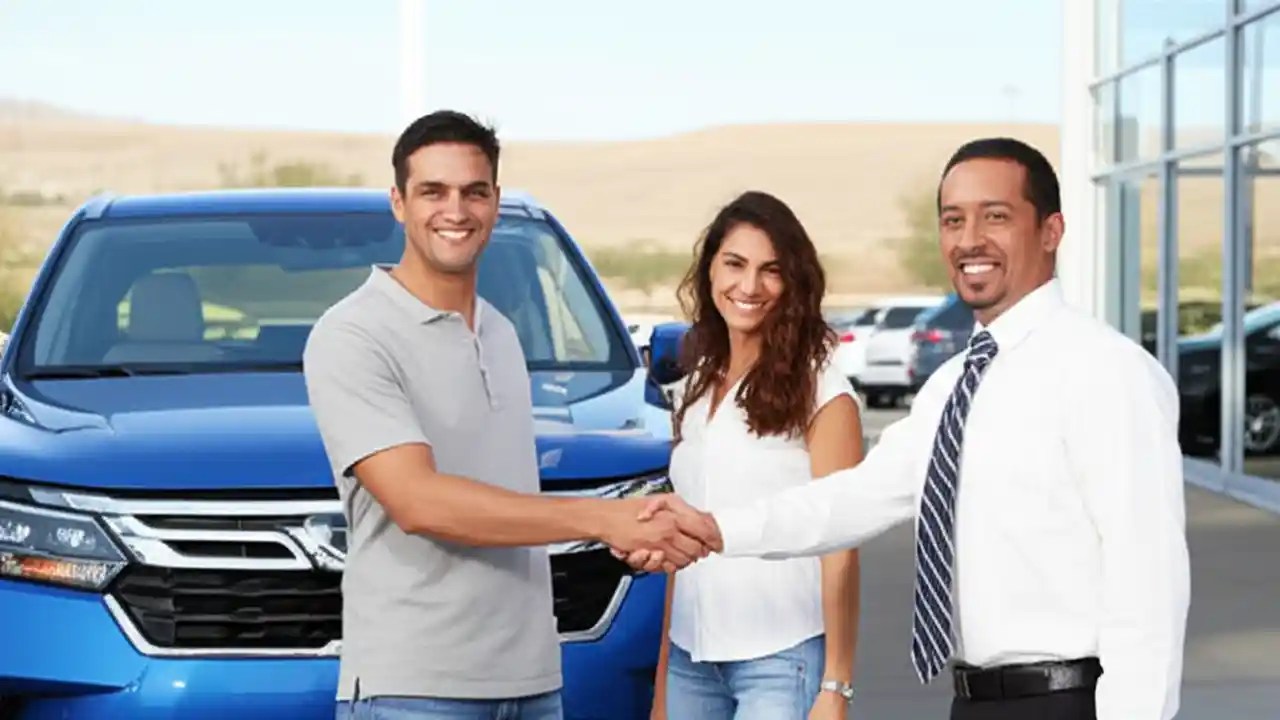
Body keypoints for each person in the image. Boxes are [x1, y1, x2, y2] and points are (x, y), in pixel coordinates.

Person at [626, 138, 1191, 720]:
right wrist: (714, 528)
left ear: (1051, 231)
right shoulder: (952, 386)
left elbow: (1148, 582)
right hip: (974, 699)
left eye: (995, 216)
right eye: (953, 220)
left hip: (1070, 700)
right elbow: (849, 500)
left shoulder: (1105, 370)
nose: (970, 239)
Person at [302, 109, 709, 720]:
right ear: (398, 202)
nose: (456, 210)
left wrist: (635, 531)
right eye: (433, 191)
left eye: (474, 192)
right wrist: (606, 520)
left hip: (533, 684)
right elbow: (419, 502)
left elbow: (509, 498)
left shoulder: (500, 332)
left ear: (495, 202)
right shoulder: (353, 335)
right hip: (416, 688)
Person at [651, 191, 864, 720]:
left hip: (781, 660)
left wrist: (837, 685)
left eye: (771, 270)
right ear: (710, 270)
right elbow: (682, 537)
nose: (749, 286)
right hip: (689, 658)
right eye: (735, 264)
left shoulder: (823, 392)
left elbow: (841, 546)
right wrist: (662, 681)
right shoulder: (694, 386)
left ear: (793, 283)